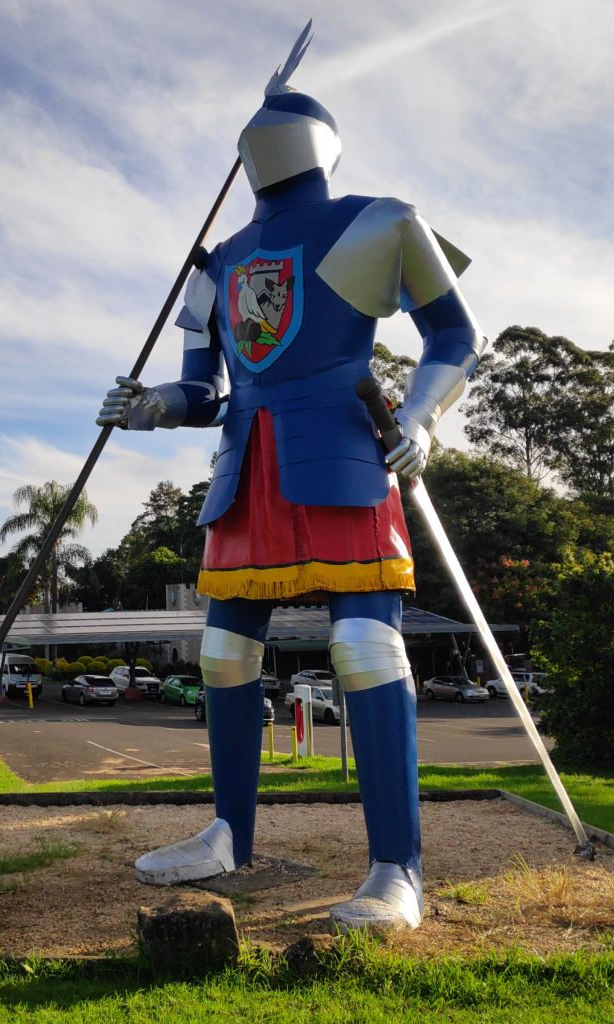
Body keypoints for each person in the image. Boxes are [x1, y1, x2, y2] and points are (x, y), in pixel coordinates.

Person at [97, 35, 485, 932]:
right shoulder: (219, 259)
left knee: (364, 646)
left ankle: (397, 867)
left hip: (346, 444)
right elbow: (205, 389)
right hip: (247, 459)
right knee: (225, 654)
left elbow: (455, 337)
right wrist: (150, 401)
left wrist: (422, 420)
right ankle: (229, 831)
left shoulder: (379, 220)